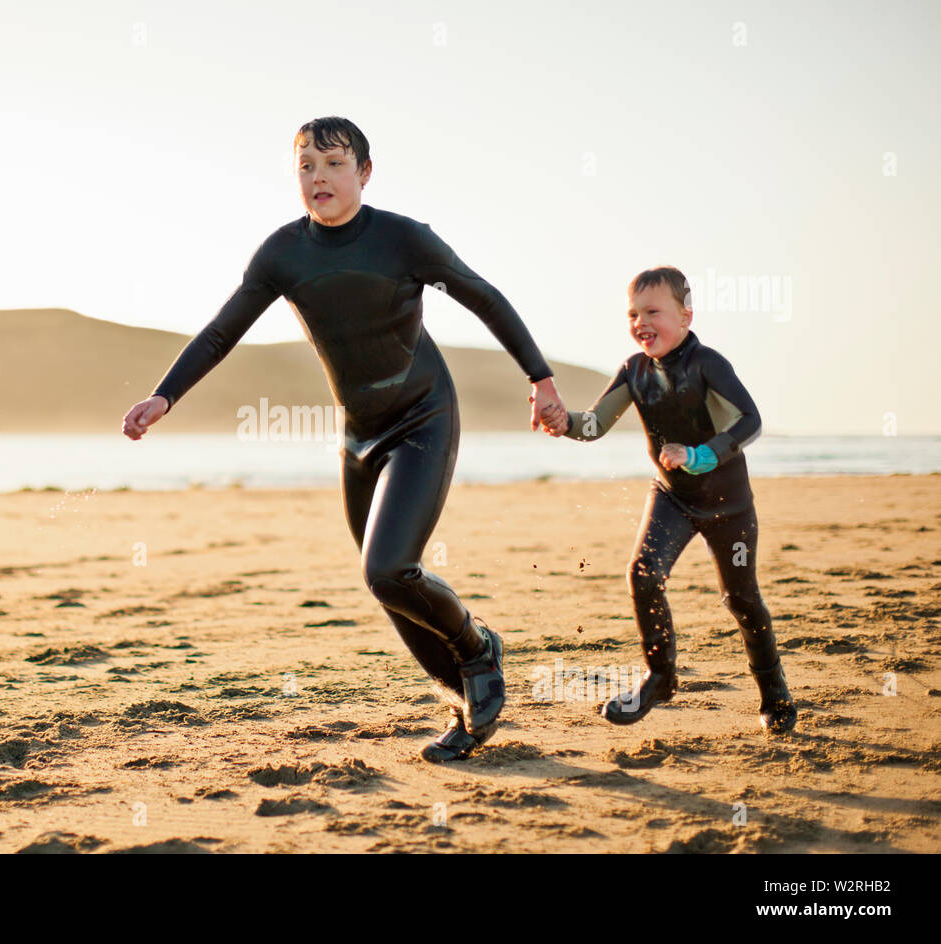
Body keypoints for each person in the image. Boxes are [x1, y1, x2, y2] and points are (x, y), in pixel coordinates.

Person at [121, 116, 567, 762]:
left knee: (388, 567)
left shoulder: (404, 240)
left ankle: (477, 650)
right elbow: (222, 332)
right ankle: (462, 702)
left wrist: (540, 378)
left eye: (333, 163)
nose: (318, 178)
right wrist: (164, 395)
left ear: (364, 171)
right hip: (359, 436)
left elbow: (484, 297)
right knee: (384, 583)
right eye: (305, 166)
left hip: (423, 416)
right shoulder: (283, 254)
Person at [545, 266, 796, 733]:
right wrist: (564, 422)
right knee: (642, 574)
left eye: (652, 311)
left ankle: (773, 691)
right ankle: (660, 678)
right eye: (632, 313)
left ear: (685, 317)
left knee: (740, 599)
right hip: (672, 498)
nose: (641, 321)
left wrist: (701, 455)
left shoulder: (709, 364)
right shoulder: (634, 371)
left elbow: (750, 421)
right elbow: (596, 424)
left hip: (728, 504)